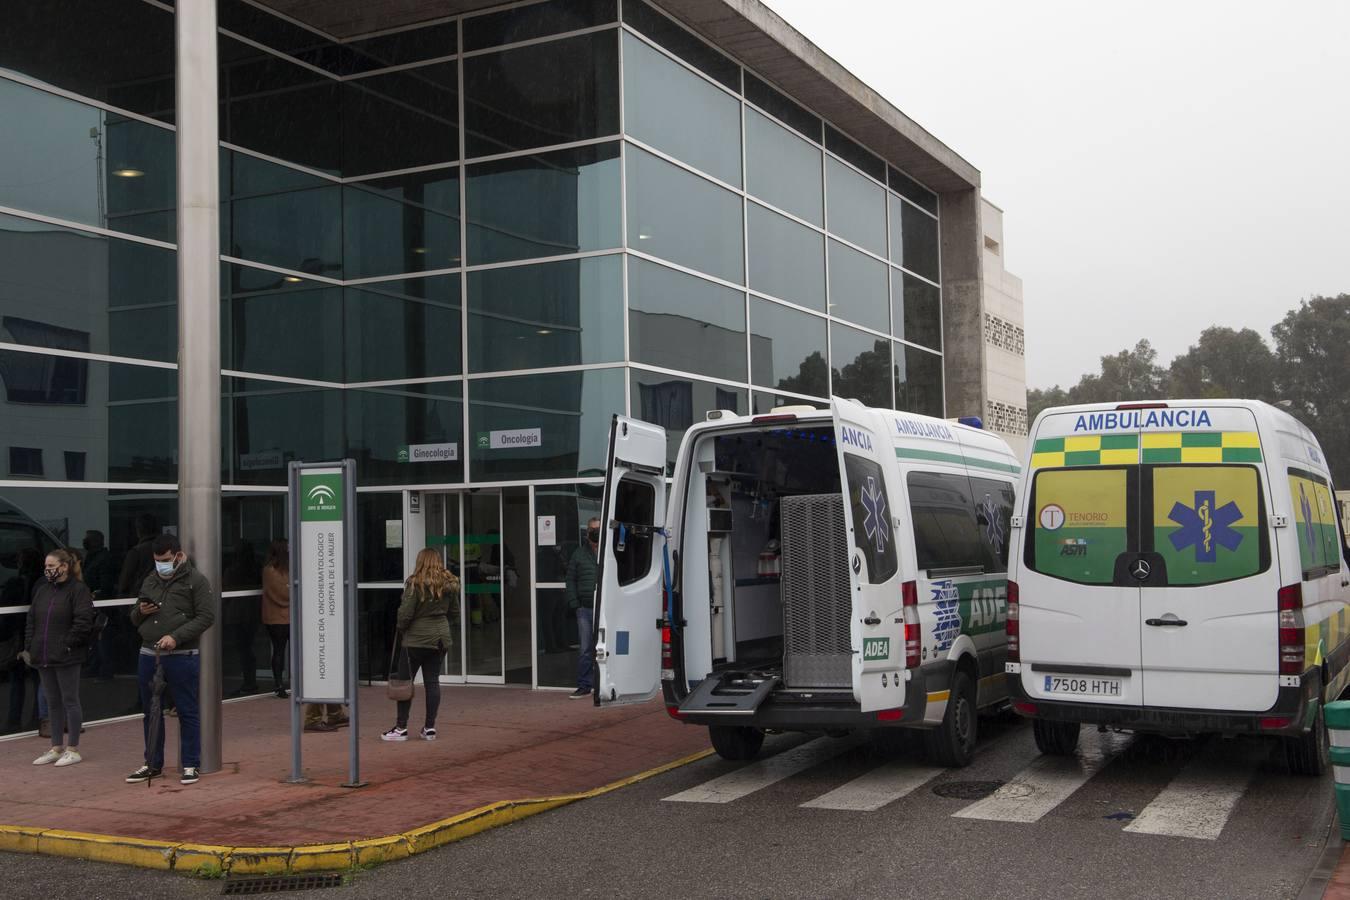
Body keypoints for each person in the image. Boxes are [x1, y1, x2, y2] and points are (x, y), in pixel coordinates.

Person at [125, 533, 215, 786]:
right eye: (157, 560)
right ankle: (152, 764)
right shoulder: (150, 579)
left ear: (177, 555)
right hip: (148, 653)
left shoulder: (195, 580)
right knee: (150, 712)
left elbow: (207, 616)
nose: (160, 564)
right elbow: (134, 616)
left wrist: (176, 637)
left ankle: (190, 764)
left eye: (164, 559)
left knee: (187, 710)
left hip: (182, 655)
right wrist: (140, 612)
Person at [25, 548, 95, 768]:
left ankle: (73, 748)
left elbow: (83, 621)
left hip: (67, 655)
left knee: (70, 700)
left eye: (52, 567)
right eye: (46, 567)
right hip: (43, 654)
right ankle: (56, 747)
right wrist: (30, 646)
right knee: (52, 701)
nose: (48, 570)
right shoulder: (43, 591)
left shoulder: (78, 590)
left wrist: (67, 645)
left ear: (64, 567)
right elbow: (32, 620)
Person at [382, 548, 458, 742]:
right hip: (440, 638)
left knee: (404, 682)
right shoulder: (449, 584)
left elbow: (405, 613)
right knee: (432, 682)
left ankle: (401, 728)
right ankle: (430, 728)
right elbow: (455, 613)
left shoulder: (415, 583)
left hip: (415, 639)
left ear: (420, 561)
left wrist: (401, 627)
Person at [564, 518, 601, 699]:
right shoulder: (578, 554)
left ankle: (604, 684)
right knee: (586, 649)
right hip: (585, 609)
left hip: (605, 609)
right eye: (593, 529)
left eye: (599, 529)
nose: (596, 532)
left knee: (604, 648)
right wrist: (575, 604)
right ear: (587, 532)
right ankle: (585, 685)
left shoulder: (610, 551)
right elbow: (570, 580)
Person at [223, 542, 261, 695]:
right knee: (248, 648)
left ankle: (248, 682)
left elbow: (225, 588)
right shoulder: (256, 568)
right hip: (252, 612)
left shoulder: (232, 570)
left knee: (242, 648)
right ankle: (250, 681)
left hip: (237, 614)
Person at [261, 539, 290, 699]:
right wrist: (293, 591)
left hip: (289, 617)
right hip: (276, 619)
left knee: (296, 651)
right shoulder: (270, 570)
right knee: (279, 650)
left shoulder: (287, 568)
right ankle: (279, 685)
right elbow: (281, 594)